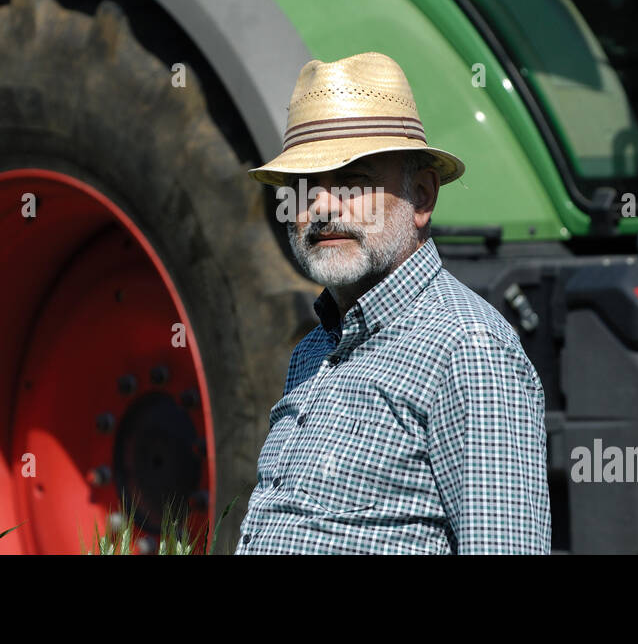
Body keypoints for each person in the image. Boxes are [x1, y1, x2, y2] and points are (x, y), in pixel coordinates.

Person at [234, 51, 550, 554]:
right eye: (305, 187)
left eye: (354, 180)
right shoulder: (313, 352)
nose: (322, 208)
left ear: (422, 198)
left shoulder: (468, 349)